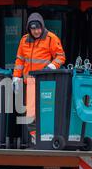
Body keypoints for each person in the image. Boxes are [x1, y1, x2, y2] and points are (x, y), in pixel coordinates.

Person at [12, 13, 66, 144]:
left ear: (42, 26)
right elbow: (20, 60)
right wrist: (16, 77)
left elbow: (60, 56)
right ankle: (35, 136)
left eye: (38, 28)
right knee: (30, 111)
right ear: (29, 29)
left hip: (45, 82)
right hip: (29, 81)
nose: (36, 31)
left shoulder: (51, 38)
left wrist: (52, 66)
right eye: (33, 29)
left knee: (46, 110)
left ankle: (47, 135)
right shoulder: (24, 40)